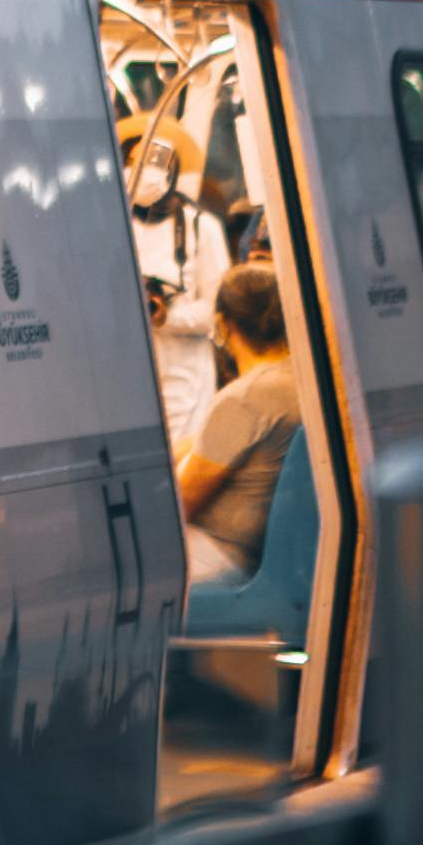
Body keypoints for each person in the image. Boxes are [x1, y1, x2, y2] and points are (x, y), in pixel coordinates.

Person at [172, 262, 308, 639]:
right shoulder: (300, 378)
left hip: (224, 554)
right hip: (266, 555)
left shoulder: (245, 398)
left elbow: (178, 505)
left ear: (222, 325)